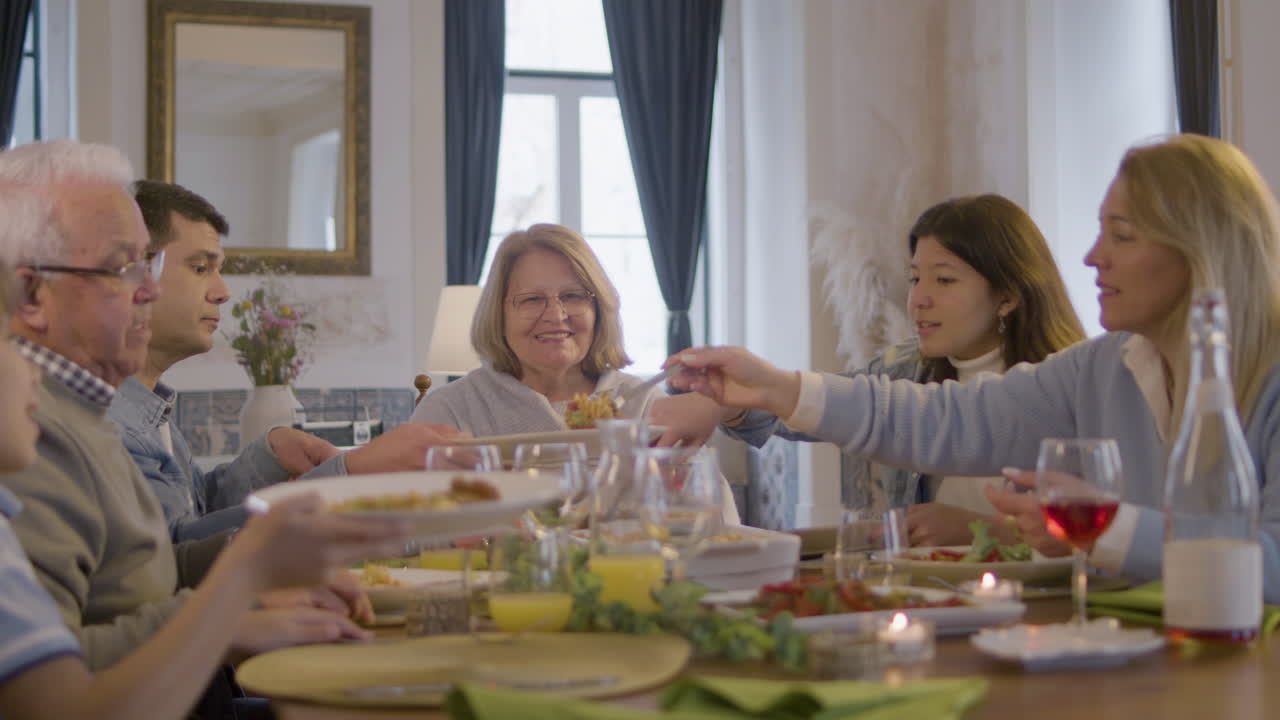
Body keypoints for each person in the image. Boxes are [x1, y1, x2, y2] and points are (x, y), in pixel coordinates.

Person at [665, 134, 1280, 603]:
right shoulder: (1104, 367)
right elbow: (948, 418)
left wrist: (1101, 527)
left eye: (1121, 236)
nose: (1094, 257)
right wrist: (776, 388)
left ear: (1198, 246)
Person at [0, 140, 371, 671]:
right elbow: (48, 681)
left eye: (145, 264)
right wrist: (229, 613)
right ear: (31, 294)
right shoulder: (31, 431)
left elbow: (152, 566)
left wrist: (261, 558)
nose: (146, 289)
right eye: (122, 267)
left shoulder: (86, 410)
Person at [0, 256, 415, 720]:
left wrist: (245, 590)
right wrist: (238, 590)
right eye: (198, 267)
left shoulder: (134, 419)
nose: (148, 292)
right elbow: (55, 698)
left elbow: (162, 555)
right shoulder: (64, 431)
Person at [652, 194, 1086, 546]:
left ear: (1007, 296)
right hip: (932, 599)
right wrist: (726, 404)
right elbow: (826, 409)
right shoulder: (907, 369)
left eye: (945, 280)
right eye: (916, 278)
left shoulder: (1064, 386)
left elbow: (1105, 528)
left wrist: (989, 532)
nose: (919, 299)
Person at [110, 180, 467, 542]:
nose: (222, 292)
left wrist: (267, 456)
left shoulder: (151, 410)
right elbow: (179, 554)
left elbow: (197, 509)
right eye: (201, 268)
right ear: (136, 274)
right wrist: (348, 475)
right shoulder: (110, 424)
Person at [410, 223, 739, 522]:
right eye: (532, 299)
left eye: (573, 296)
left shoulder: (647, 407)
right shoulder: (449, 411)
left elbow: (714, 521)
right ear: (499, 314)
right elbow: (410, 532)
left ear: (598, 310)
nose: (556, 314)